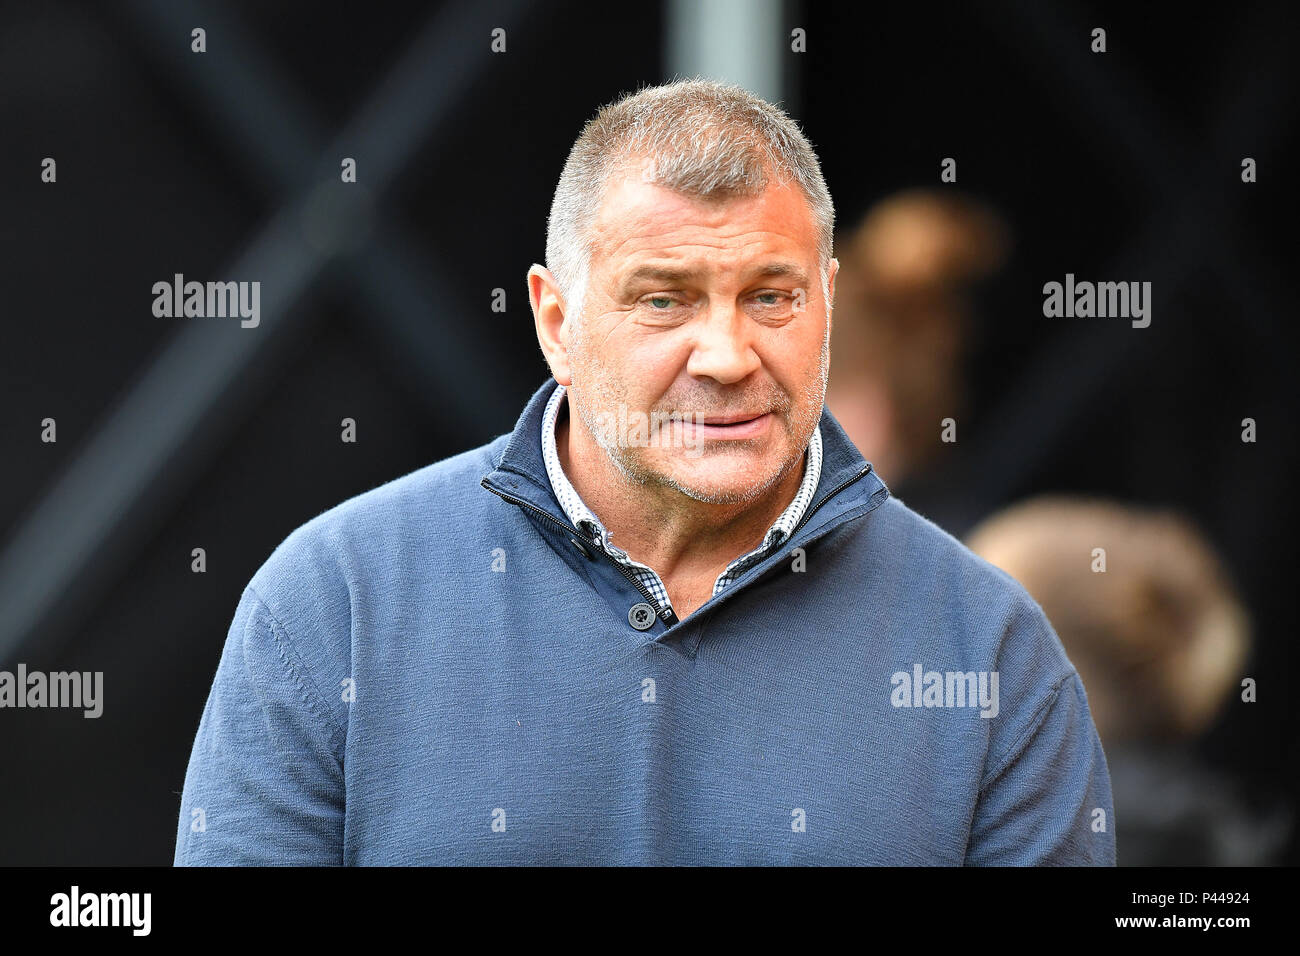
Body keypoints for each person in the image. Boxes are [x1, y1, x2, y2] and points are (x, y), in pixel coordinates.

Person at [173, 78, 1114, 865]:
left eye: (771, 297)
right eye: (664, 300)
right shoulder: (334, 603)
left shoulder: (990, 654)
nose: (726, 353)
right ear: (556, 324)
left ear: (828, 301)